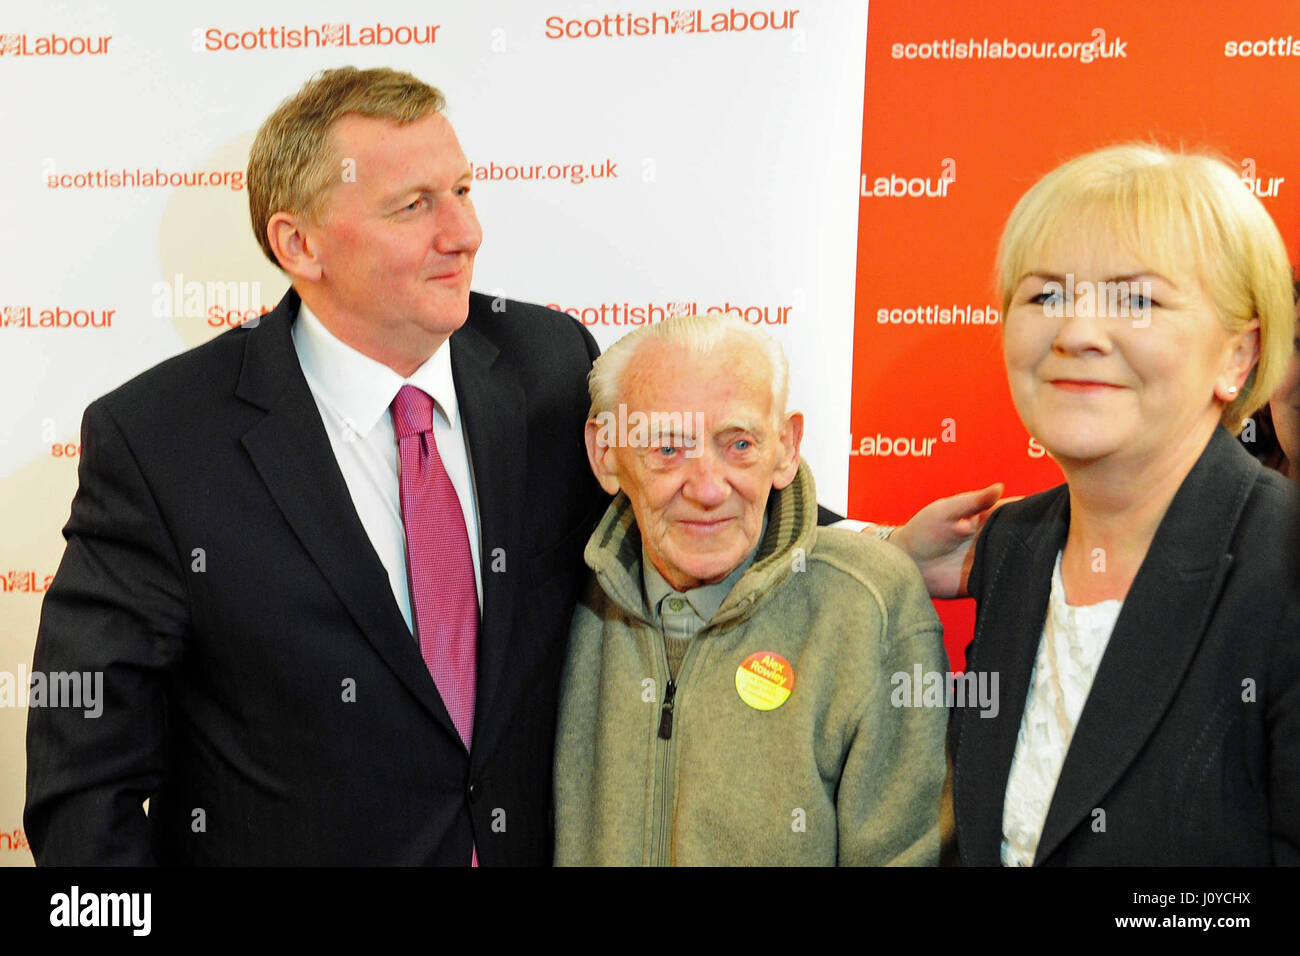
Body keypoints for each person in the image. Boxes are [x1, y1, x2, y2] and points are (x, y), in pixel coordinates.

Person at [25, 66, 994, 865]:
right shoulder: (161, 440)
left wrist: (877, 548)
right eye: (414, 205)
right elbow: (86, 782)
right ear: (299, 242)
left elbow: (681, 487)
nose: (464, 232)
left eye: (463, 191)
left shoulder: (540, 361)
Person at [950, 143, 1300, 865]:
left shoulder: (1284, 563)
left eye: (1135, 299)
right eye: (1046, 295)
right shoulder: (1012, 547)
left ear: (1239, 356)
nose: (1076, 332)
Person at [553, 313, 948, 865]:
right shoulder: (546, 597)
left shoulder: (868, 604)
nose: (709, 488)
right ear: (606, 455)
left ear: (786, 447)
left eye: (738, 444)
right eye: (667, 449)